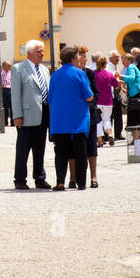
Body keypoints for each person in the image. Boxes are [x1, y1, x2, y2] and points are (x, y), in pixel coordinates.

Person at [48, 45, 94, 190]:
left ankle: (60, 182)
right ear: (74, 58)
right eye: (79, 56)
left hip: (59, 120)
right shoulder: (80, 74)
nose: (80, 58)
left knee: (61, 152)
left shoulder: (55, 75)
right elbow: (89, 96)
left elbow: (50, 98)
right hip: (77, 119)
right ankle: (81, 183)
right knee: (80, 152)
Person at [11, 40, 52, 189]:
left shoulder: (44, 70)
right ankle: (20, 179)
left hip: (43, 114)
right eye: (39, 51)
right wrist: (17, 115)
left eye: (42, 51)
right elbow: (15, 94)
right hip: (26, 115)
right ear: (29, 53)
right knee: (23, 149)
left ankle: (40, 178)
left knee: (40, 148)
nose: (42, 53)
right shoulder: (18, 69)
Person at [76, 46, 100, 188]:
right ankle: (74, 177)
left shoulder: (89, 73)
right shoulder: (72, 73)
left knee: (92, 146)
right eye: (81, 56)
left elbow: (95, 94)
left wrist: (89, 107)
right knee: (76, 147)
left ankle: (93, 176)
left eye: (85, 56)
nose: (84, 59)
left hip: (90, 115)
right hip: (76, 116)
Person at [94, 54, 118, 146]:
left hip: (98, 100)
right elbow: (116, 85)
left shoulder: (94, 73)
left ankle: (99, 140)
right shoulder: (109, 74)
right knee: (107, 119)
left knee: (98, 120)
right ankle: (110, 134)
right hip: (108, 101)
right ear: (105, 64)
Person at [120, 52, 140, 131]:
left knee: (136, 119)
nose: (122, 62)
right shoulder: (132, 67)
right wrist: (123, 82)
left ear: (128, 60)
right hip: (135, 94)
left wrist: (121, 76)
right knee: (137, 119)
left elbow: (131, 78)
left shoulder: (131, 67)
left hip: (136, 95)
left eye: (123, 60)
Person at [107, 50, 124, 141]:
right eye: (116, 57)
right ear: (110, 59)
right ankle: (110, 134)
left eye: (118, 57)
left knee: (117, 114)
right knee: (111, 115)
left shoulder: (114, 67)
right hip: (112, 93)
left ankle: (118, 133)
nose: (118, 59)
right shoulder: (109, 68)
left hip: (116, 93)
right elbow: (110, 80)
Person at [0, 60, 13, 125]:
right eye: (8, 65)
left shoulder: (11, 73)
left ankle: (13, 122)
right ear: (4, 66)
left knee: (12, 106)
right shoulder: (1, 73)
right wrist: (1, 84)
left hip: (11, 90)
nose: (10, 66)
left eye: (10, 65)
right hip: (4, 90)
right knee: (5, 107)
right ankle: (5, 122)